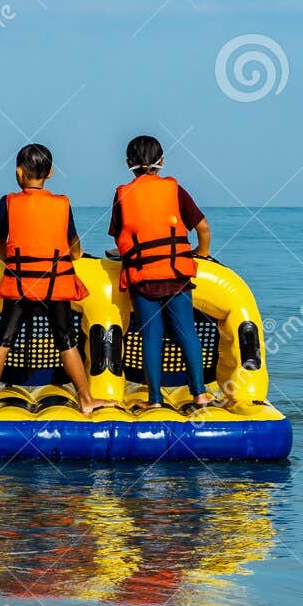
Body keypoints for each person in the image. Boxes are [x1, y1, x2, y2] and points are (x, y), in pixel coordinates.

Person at [0, 143, 99, 415]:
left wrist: (8, 261)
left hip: (20, 282)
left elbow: (0, 239)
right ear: (51, 173)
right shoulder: (62, 204)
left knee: (2, 340)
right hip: (55, 282)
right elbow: (74, 246)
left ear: (19, 173)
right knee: (67, 341)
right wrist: (76, 255)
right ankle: (86, 401)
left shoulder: (7, 202)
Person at [110, 135, 214, 410]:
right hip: (176, 274)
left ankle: (154, 400)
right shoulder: (175, 190)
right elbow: (203, 229)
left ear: (129, 164)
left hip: (143, 279)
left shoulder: (122, 194)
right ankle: (200, 395)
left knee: (151, 337)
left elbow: (120, 238)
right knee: (187, 334)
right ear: (162, 161)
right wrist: (201, 256)